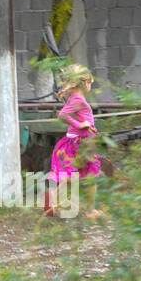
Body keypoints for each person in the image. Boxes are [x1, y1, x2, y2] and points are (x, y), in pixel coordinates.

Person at [44, 63, 104, 220]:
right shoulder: (79, 100)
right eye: (90, 82)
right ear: (83, 82)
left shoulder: (74, 98)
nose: (91, 85)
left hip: (74, 140)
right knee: (92, 175)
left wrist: (85, 125)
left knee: (73, 175)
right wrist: (82, 125)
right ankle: (90, 211)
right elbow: (62, 115)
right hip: (82, 143)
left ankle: (52, 200)